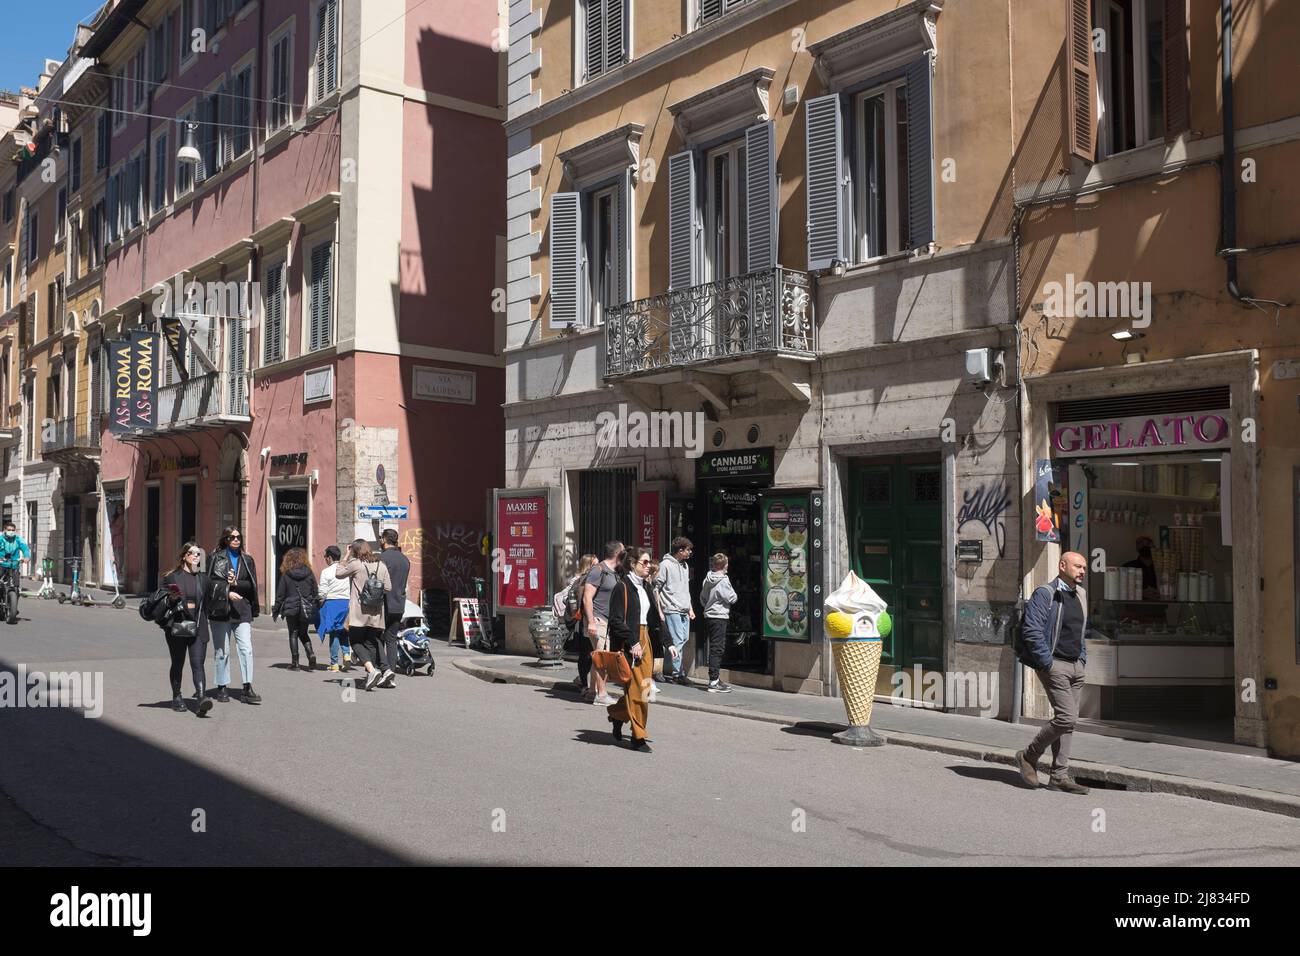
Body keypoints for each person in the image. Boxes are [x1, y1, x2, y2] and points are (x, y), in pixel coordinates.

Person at [1016, 551, 1092, 795]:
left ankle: (1059, 776)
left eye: (1084, 567)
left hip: (1075, 665)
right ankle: (1029, 755)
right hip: (1054, 664)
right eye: (1078, 566)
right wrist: (1046, 662)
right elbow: (1032, 629)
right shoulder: (1045, 593)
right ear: (1062, 566)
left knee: (1068, 724)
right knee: (1066, 717)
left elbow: (1080, 631)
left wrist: (1082, 658)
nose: (1082, 570)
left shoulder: (1080, 594)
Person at [606, 549, 654, 752]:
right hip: (631, 642)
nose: (648, 565)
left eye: (649, 562)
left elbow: (654, 619)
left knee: (645, 690)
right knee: (638, 690)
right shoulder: (622, 587)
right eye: (644, 562)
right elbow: (616, 620)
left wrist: (667, 643)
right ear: (633, 563)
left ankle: (617, 714)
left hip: (646, 640)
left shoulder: (646, 587)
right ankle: (638, 736)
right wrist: (633, 642)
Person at [157, 542, 213, 717]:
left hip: (198, 625)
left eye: (198, 553)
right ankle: (177, 696)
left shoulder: (204, 579)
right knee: (178, 662)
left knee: (198, 664)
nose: (196, 556)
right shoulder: (171, 577)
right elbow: (162, 602)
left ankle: (202, 699)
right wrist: (171, 599)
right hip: (178, 625)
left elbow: (208, 604)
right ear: (184, 556)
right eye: (192, 553)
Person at [207, 527, 261, 704]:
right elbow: (209, 584)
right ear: (225, 539)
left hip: (242, 609)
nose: (236, 540)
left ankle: (247, 686)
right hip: (221, 609)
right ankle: (222, 686)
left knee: (246, 649)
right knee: (223, 650)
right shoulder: (215, 558)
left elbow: (251, 585)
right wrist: (226, 591)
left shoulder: (247, 560)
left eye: (238, 537)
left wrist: (236, 582)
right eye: (232, 537)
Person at [336, 539, 393, 693]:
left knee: (354, 642)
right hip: (376, 612)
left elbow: (338, 574)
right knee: (370, 642)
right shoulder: (381, 565)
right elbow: (388, 587)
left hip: (359, 611)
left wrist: (346, 555)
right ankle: (372, 673)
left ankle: (372, 670)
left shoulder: (356, 564)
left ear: (355, 550)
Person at [582, 541, 624, 706]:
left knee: (598, 658)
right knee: (603, 659)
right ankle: (601, 694)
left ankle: (592, 692)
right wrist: (591, 622)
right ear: (617, 553)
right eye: (623, 551)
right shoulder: (598, 570)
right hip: (598, 620)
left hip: (607, 621)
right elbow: (587, 597)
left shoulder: (614, 572)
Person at [272, 548, 320, 671]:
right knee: (303, 633)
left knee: (293, 634)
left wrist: (276, 611)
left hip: (291, 608)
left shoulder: (286, 574)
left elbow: (280, 595)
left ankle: (295, 663)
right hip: (305, 608)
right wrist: (314, 604)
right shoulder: (309, 572)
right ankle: (310, 653)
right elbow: (315, 591)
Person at [377, 528, 410, 688]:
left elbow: (376, 583)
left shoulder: (381, 558)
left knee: (376, 638)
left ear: (384, 540)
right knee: (391, 640)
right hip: (398, 604)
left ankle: (381, 671)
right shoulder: (405, 559)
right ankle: (390, 674)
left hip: (383, 604)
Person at [657, 538, 694, 685]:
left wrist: (690, 607)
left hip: (684, 608)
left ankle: (670, 670)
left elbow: (686, 589)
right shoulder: (665, 565)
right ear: (680, 550)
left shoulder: (685, 566)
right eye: (688, 550)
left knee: (683, 639)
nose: (690, 552)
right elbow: (657, 588)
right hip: (671, 608)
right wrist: (660, 609)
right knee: (677, 640)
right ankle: (678, 673)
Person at [699, 552, 737, 693]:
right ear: (724, 565)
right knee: (717, 648)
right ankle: (714, 681)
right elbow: (731, 598)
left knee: (714, 647)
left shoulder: (707, 578)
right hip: (719, 616)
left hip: (709, 616)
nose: (728, 566)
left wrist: (709, 605)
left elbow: (702, 598)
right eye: (727, 563)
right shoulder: (723, 580)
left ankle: (715, 678)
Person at [318, 546, 352, 671]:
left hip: (332, 603)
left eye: (325, 557)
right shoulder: (345, 568)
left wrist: (320, 602)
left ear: (330, 558)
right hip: (345, 602)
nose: (325, 560)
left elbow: (322, 592)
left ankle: (334, 663)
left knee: (334, 633)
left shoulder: (326, 572)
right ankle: (347, 654)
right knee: (343, 630)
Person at [567, 554, 597, 695]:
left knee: (591, 654)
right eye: (595, 565)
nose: (598, 568)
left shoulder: (593, 580)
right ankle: (584, 682)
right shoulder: (579, 581)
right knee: (585, 654)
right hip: (582, 622)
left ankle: (583, 680)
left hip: (592, 621)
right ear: (588, 566)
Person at [0, 520, 31, 605]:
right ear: (4, 530)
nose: (11, 532)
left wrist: (27, 557)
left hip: (14, 565)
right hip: (2, 565)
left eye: (13, 530)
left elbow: (25, 548)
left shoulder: (18, 539)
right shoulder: (1, 539)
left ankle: (13, 606)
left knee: (16, 587)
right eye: (9, 530)